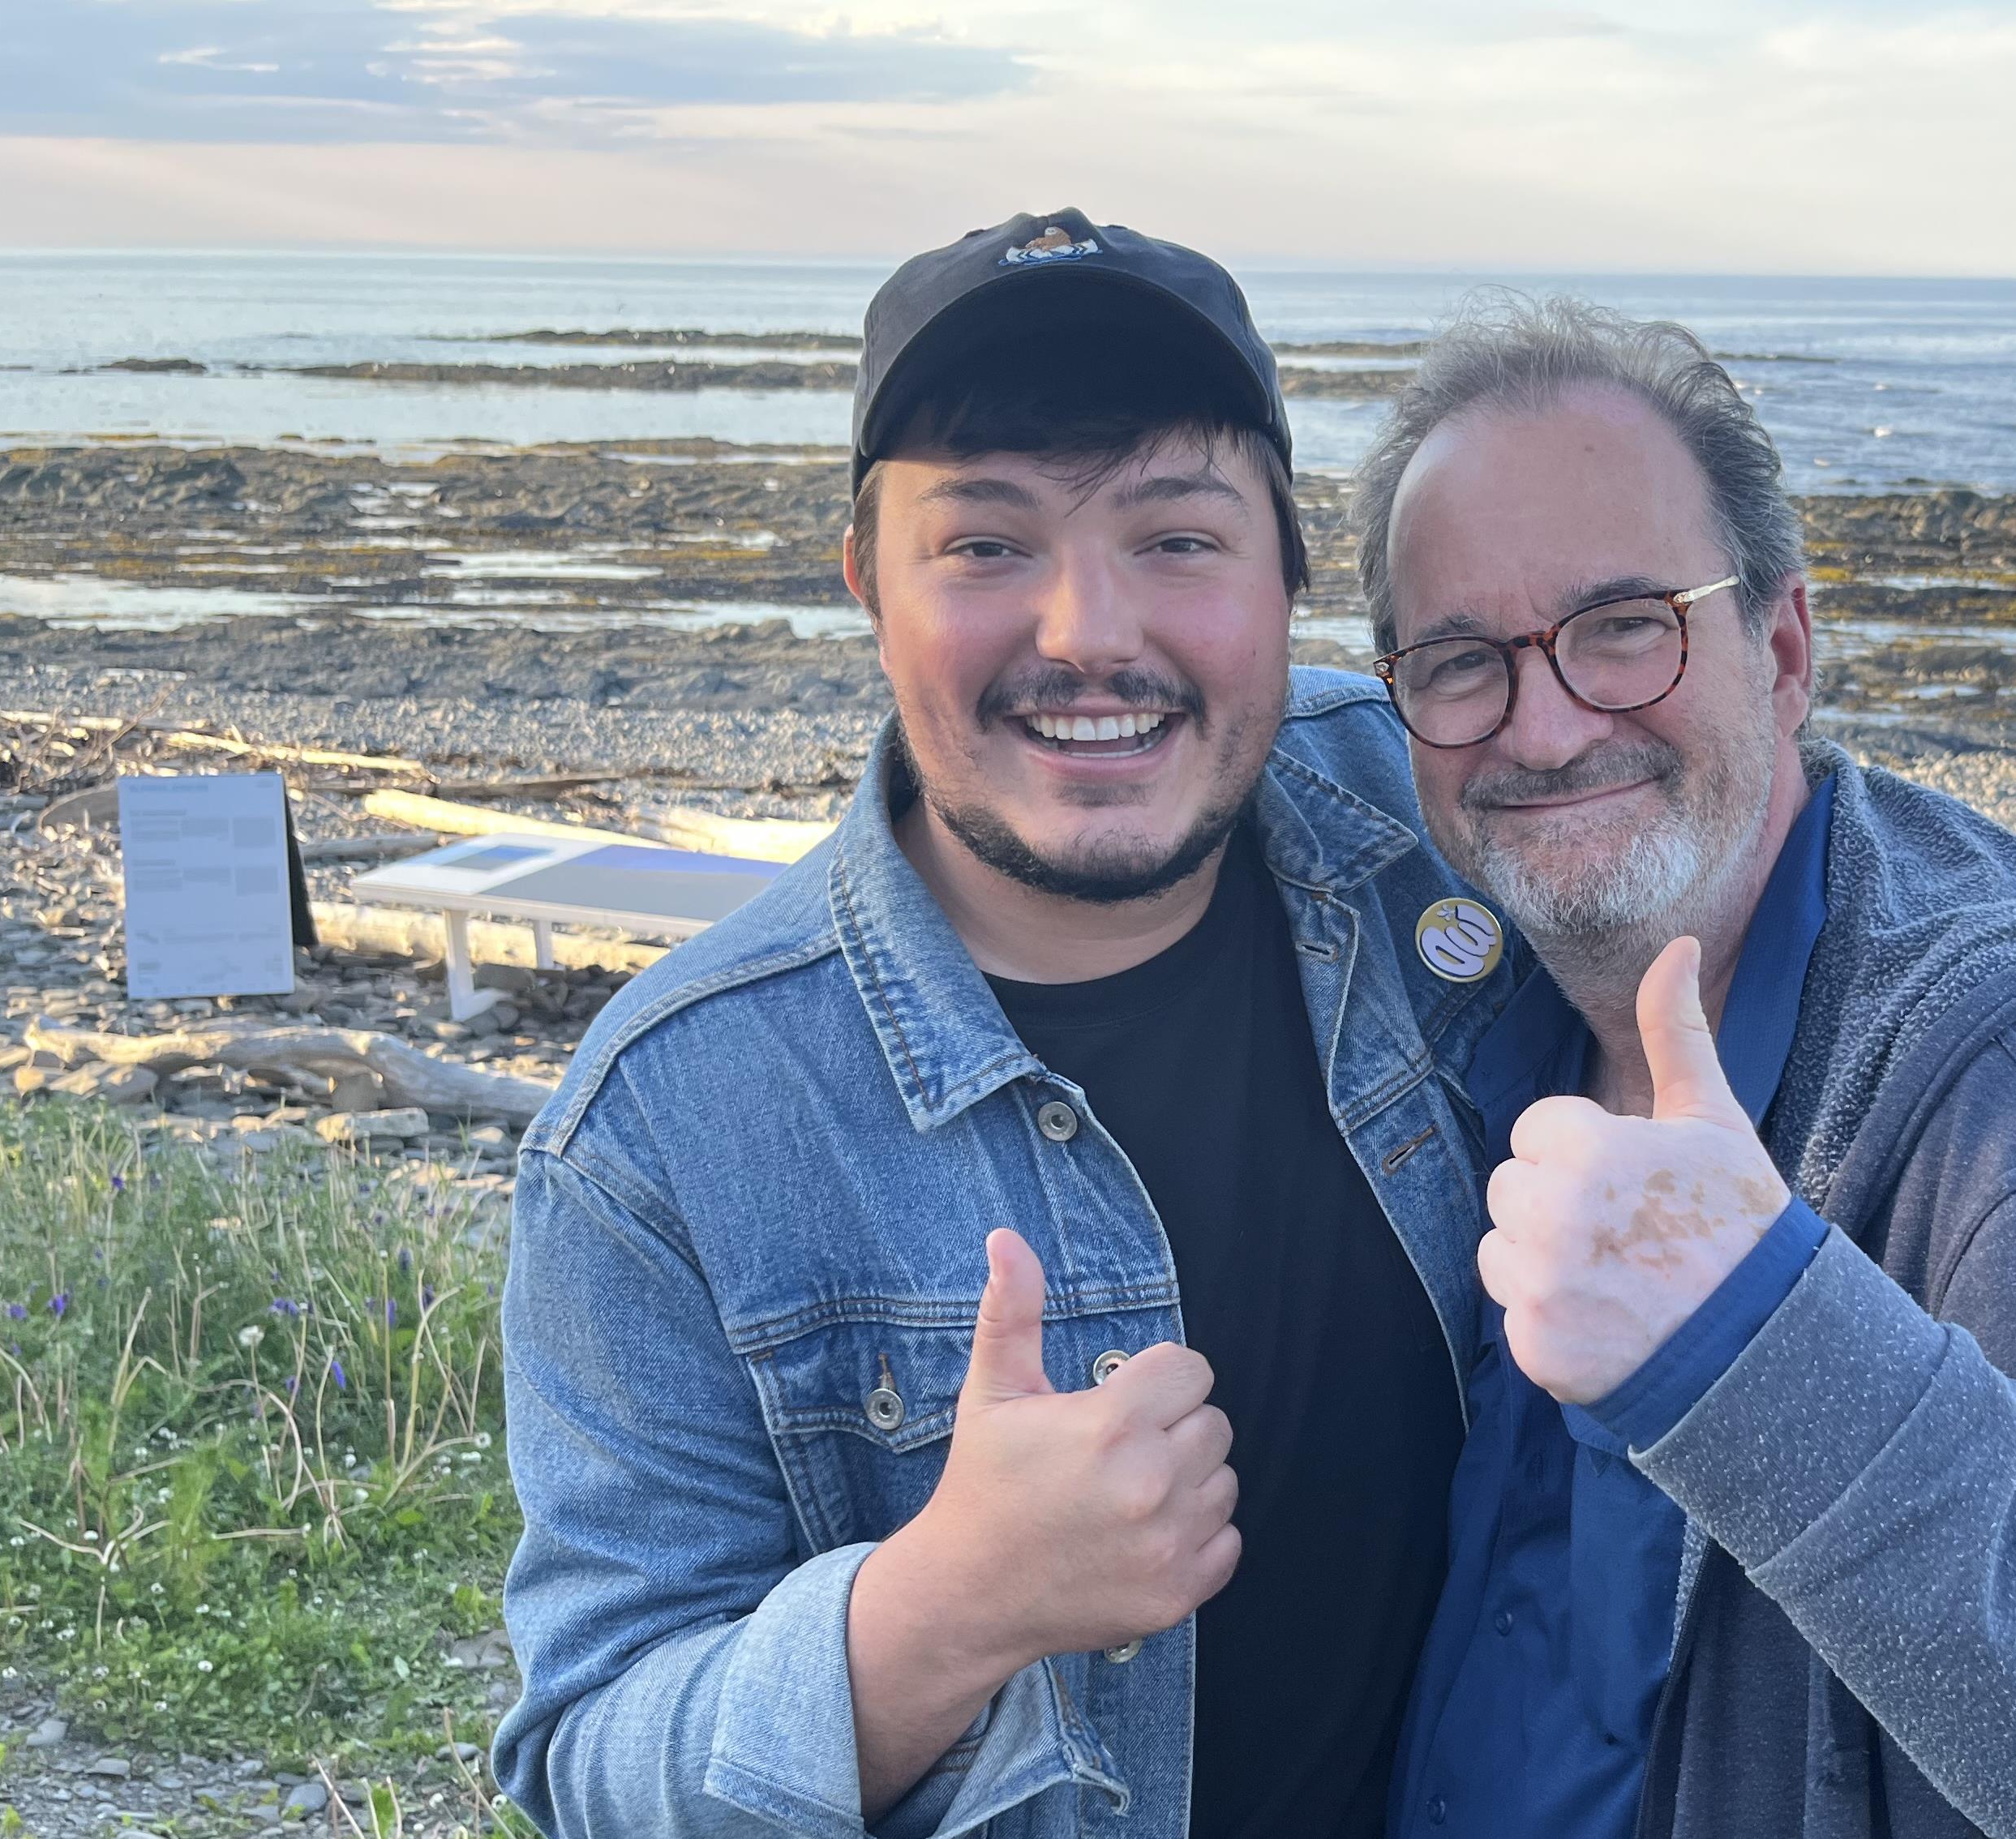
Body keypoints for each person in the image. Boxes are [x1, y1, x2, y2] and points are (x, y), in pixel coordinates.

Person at [1354, 294, 2016, 1838]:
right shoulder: (1456, 1015)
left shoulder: (2009, 1093)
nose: (1539, 728)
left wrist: (1763, 1349)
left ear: (1784, 647)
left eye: (1623, 628)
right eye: (1462, 660)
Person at [491, 211, 1515, 1839]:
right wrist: (939, 1614)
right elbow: (589, 1759)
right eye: (984, 545)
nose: (1089, 634)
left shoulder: (1441, 815)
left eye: (1177, 540)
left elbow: (1763, 785)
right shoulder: (675, 1126)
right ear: (868, 588)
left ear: (1290, 578)